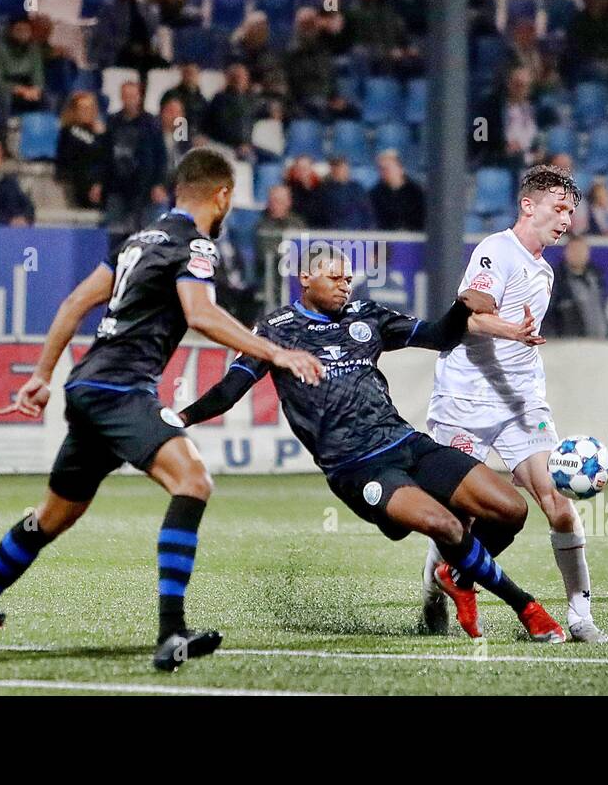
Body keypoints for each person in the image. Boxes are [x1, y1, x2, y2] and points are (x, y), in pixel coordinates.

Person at [0, 149, 325, 669]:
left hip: (88, 385)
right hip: (121, 389)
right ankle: (171, 632)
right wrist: (275, 350)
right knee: (193, 482)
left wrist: (41, 376)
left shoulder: (135, 241)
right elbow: (200, 313)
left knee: (52, 516)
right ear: (223, 196)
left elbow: (75, 303)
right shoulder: (197, 245)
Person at [181, 249, 566, 642]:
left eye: (348, 278)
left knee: (511, 510)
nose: (344, 285)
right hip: (356, 466)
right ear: (305, 279)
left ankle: (456, 574)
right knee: (445, 525)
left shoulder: (365, 316)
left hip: (404, 442)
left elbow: (439, 336)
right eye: (334, 278)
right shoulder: (275, 330)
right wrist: (182, 418)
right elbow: (230, 390)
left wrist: (460, 305)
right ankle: (528, 609)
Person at [418, 165, 608, 643]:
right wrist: (512, 329)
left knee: (557, 501)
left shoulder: (544, 270)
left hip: (521, 401)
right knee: (457, 518)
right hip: (464, 400)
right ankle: (434, 589)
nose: (566, 220)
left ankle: (581, 616)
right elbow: (470, 316)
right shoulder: (495, 250)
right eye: (558, 208)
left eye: (571, 211)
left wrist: (518, 338)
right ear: (528, 205)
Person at [103, 80, 166, 237]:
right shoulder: (112, 122)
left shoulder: (151, 123)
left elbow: (160, 155)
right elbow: (104, 154)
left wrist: (159, 183)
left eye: (133, 95)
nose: (129, 99)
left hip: (144, 189)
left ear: (139, 97)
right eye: (126, 96)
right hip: (117, 187)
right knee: (116, 235)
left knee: (144, 236)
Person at [0, 16, 45, 143]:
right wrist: (20, 90)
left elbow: (38, 76)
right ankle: (1, 142)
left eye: (26, 31)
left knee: (47, 99)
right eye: (19, 30)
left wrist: (36, 90)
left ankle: (42, 142)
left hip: (26, 92)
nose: (23, 34)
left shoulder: (33, 50)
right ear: (10, 31)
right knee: (4, 98)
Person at [542, 233, 608, 338]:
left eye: (581, 250)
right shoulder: (556, 280)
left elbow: (601, 310)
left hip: (599, 341)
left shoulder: (596, 277)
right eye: (574, 250)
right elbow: (548, 314)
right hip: (570, 343)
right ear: (566, 253)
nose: (578, 254)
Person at [54, 91, 109, 209]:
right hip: (79, 181)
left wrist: (102, 135)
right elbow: (71, 159)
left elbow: (106, 157)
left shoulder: (102, 132)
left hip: (100, 180)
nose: (87, 112)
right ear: (75, 110)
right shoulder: (69, 132)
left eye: (90, 108)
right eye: (82, 108)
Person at [255, 183, 305, 290]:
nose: (276, 204)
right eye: (273, 200)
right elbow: (266, 252)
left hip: (294, 275)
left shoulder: (297, 224)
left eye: (280, 201)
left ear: (289, 202)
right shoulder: (261, 225)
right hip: (271, 276)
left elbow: (303, 250)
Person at [308, 156, 374, 229]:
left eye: (341, 167)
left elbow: (367, 212)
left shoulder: (357, 188)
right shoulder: (322, 190)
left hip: (357, 233)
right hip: (331, 235)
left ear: (347, 168)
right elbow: (317, 216)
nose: (338, 170)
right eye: (335, 167)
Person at [368, 149, 425, 231]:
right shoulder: (374, 194)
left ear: (400, 168)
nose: (384, 172)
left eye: (388, 168)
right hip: (386, 240)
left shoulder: (417, 192)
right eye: (381, 169)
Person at [161, 62, 209, 144]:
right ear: (182, 74)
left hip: (197, 138)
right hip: (177, 136)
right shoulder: (172, 95)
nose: (190, 76)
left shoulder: (201, 99)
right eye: (188, 73)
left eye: (193, 73)